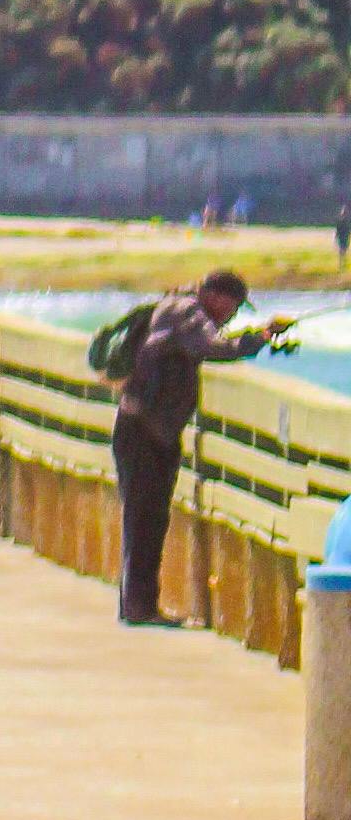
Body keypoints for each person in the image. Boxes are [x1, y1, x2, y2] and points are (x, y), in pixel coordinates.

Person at [109, 267, 291, 625]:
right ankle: (138, 608)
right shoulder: (187, 312)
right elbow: (215, 346)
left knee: (147, 520)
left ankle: (138, 605)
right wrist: (262, 336)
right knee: (144, 519)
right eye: (234, 308)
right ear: (217, 296)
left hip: (147, 429)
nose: (232, 316)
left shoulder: (177, 309)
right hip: (144, 431)